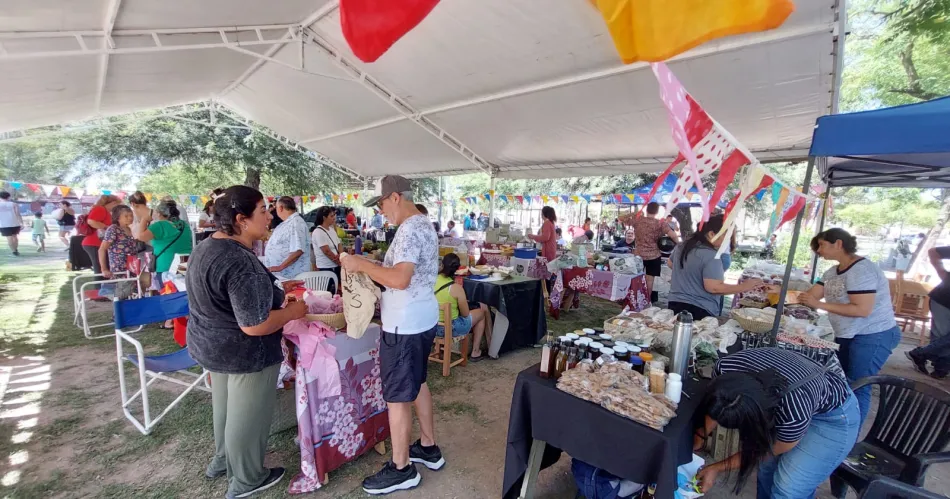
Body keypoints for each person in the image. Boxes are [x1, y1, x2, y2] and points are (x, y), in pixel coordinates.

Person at [186, 185, 307, 498]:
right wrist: (293, 311)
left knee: (226, 409)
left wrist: (275, 290)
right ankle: (246, 478)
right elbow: (255, 325)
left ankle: (222, 461)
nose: (269, 218)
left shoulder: (207, 246)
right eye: (263, 211)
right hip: (244, 352)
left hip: (213, 345)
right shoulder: (239, 260)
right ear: (241, 220)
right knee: (248, 416)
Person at [340, 175, 442, 495]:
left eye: (382, 203)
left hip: (404, 325)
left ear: (395, 197)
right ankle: (428, 446)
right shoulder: (422, 223)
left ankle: (401, 468)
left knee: (397, 397)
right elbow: (403, 272)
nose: (381, 211)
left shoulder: (410, 228)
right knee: (418, 382)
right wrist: (372, 264)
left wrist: (361, 264)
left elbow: (399, 279)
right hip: (421, 318)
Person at [693, 348, 859, 498]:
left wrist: (716, 468)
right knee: (767, 471)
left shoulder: (793, 410)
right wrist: (701, 435)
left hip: (833, 417)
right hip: (804, 394)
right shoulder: (725, 368)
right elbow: (719, 404)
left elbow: (768, 450)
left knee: (788, 487)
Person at [798, 228, 900, 425]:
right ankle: (840, 425)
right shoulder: (832, 272)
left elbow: (862, 309)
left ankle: (851, 434)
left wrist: (819, 305)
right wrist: (783, 290)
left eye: (822, 245)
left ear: (838, 244)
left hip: (872, 334)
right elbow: (810, 296)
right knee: (842, 380)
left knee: (859, 384)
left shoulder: (862, 270)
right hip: (847, 334)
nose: (818, 250)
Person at [667, 215, 767, 320]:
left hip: (674, 303)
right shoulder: (711, 255)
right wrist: (744, 286)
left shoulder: (682, 246)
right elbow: (713, 287)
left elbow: (670, 263)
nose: (728, 241)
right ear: (711, 234)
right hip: (699, 309)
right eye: (727, 237)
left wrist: (690, 275)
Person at [434, 253, 490, 361]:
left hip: (432, 327)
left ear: (442, 265)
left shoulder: (431, 281)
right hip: (450, 329)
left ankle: (438, 350)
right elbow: (465, 314)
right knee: (481, 313)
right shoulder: (456, 288)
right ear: (457, 270)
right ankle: (475, 352)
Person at [907, 246, 950, 379]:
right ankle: (940, 368)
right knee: (942, 334)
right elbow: (933, 252)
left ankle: (933, 362)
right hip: (944, 299)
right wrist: (943, 273)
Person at [132, 199, 193, 288]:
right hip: (184, 262)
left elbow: (140, 237)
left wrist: (144, 219)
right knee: (182, 289)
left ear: (160, 214)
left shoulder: (160, 226)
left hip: (165, 265)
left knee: (168, 291)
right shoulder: (184, 225)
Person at [629, 202, 680, 303]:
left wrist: (635, 213)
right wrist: (679, 245)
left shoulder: (638, 220)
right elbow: (673, 235)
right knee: (650, 280)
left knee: (635, 278)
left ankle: (634, 300)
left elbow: (621, 218)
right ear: (657, 211)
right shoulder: (660, 223)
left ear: (646, 209)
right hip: (653, 255)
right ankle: (646, 301)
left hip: (638, 254)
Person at [264, 196, 311, 280]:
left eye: (276, 207)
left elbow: (298, 250)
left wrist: (280, 267)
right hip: (282, 276)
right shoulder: (287, 222)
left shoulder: (296, 223)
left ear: (281, 208)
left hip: (292, 276)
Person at [98, 205, 138, 299]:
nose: (130, 218)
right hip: (119, 269)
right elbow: (102, 249)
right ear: (118, 217)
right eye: (126, 216)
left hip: (131, 268)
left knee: (131, 295)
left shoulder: (130, 229)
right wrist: (104, 269)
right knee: (121, 296)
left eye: (131, 215)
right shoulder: (113, 229)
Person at [82, 194, 122, 275]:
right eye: (117, 205)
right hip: (94, 243)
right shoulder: (100, 209)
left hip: (98, 243)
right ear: (113, 203)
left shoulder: (104, 210)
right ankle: (99, 283)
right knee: (100, 270)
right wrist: (107, 228)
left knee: (103, 269)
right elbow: (91, 221)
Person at [311, 206, 343, 293]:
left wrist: (341, 255)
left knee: (337, 290)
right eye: (331, 216)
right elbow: (326, 251)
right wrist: (339, 262)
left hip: (336, 266)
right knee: (328, 292)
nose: (334, 218)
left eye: (334, 215)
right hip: (325, 267)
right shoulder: (318, 232)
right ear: (324, 218)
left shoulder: (332, 230)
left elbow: (339, 244)